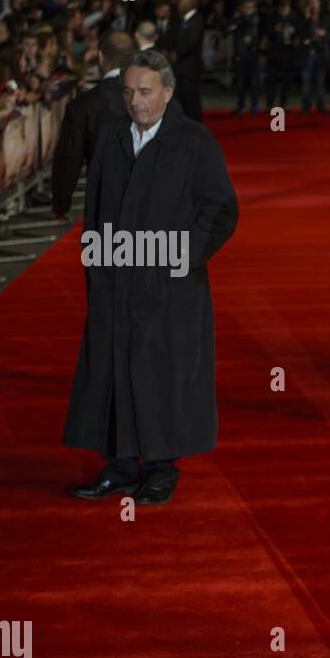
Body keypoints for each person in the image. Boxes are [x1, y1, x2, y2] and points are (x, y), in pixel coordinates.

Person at [63, 50, 239, 506]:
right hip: (114, 280)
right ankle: (120, 465)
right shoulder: (109, 137)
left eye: (144, 92)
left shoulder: (195, 143)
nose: (135, 101)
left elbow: (220, 210)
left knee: (163, 376)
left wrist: (180, 259)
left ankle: (162, 469)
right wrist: (96, 264)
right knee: (113, 370)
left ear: (167, 91)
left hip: (169, 286)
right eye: (128, 92)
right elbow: (95, 207)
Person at [50, 29, 134, 218]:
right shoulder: (159, 98)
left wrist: (61, 203)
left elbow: (69, 157)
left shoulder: (83, 106)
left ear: (101, 57)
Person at [170, 0, 204, 122]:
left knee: (191, 99)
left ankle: (196, 126)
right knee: (182, 98)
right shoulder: (183, 20)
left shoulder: (196, 19)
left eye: (182, 2)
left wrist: (177, 53)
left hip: (190, 66)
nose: (179, 5)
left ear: (190, 3)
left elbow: (192, 41)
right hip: (182, 66)